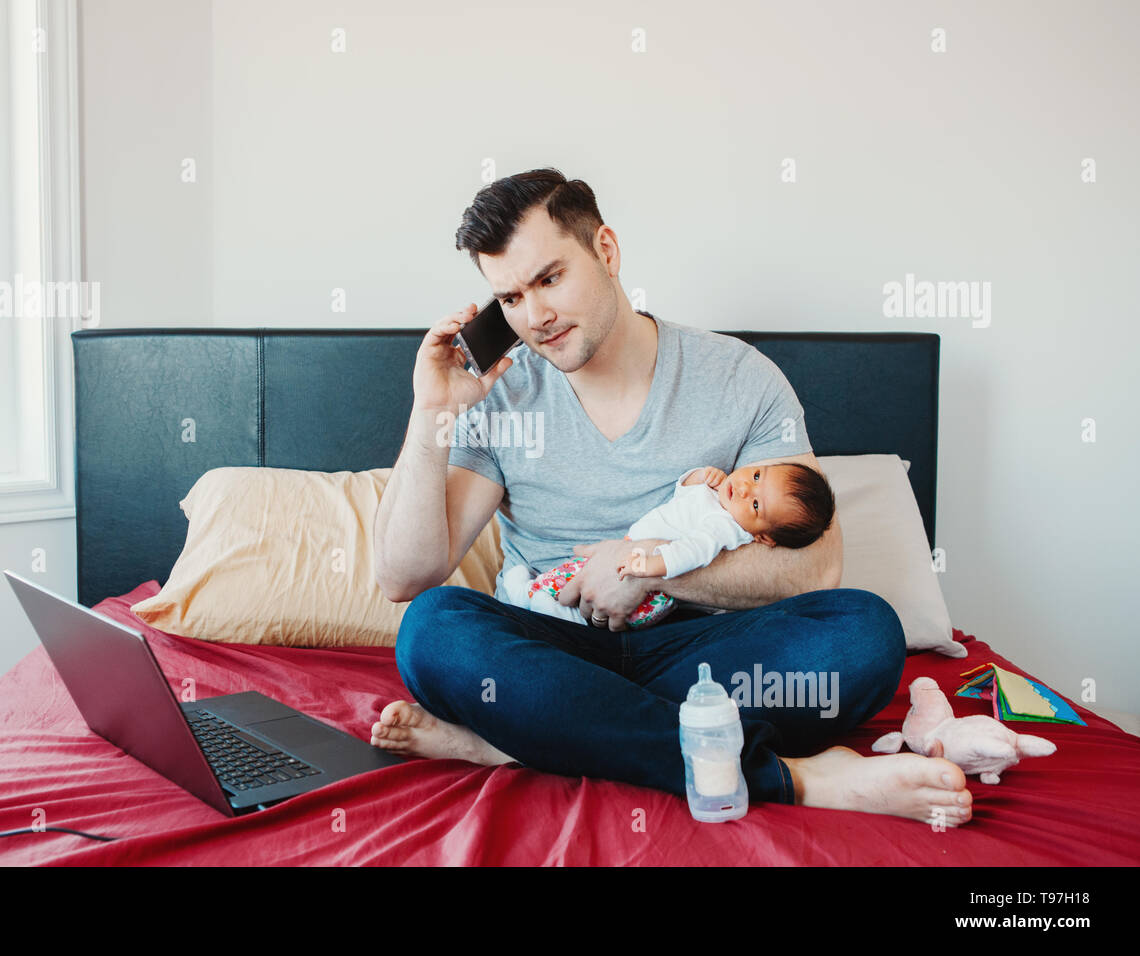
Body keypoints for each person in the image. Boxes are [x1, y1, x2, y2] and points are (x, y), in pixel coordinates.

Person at [371, 168, 972, 826]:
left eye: (549, 279)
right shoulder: (502, 395)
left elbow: (812, 568)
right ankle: (791, 779)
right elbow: (405, 574)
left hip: (702, 654)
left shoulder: (741, 378)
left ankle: (530, 735)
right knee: (433, 630)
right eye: (510, 298)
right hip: (552, 643)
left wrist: (652, 568)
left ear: (606, 250)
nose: (534, 317)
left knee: (863, 634)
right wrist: (433, 409)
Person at [504, 461, 835, 628]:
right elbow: (681, 499)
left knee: (585, 582)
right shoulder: (721, 501)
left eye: (757, 506)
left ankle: (537, 601)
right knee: (583, 574)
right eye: (758, 476)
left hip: (650, 578)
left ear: (763, 537)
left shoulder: (722, 527)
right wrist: (698, 478)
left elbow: (694, 552)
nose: (747, 488)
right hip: (633, 553)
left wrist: (650, 567)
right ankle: (541, 600)